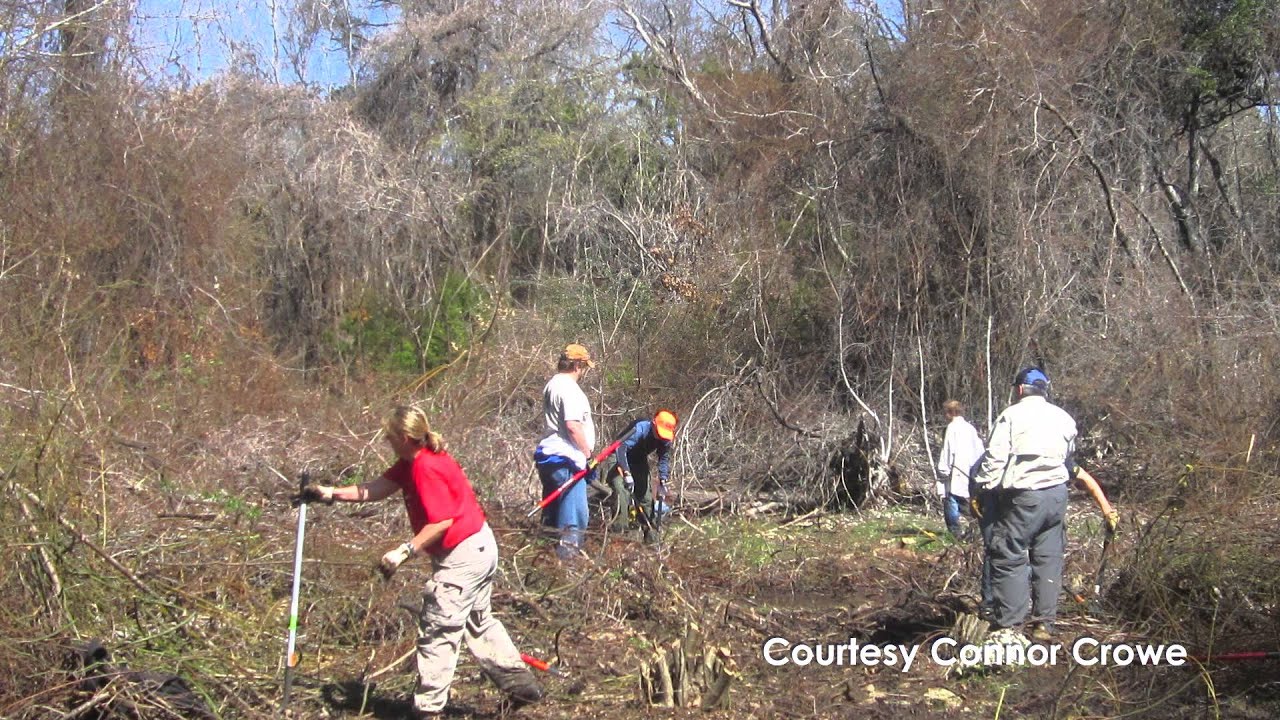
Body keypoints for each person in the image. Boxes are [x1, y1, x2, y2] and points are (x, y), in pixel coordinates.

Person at [300, 406, 542, 717]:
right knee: (478, 622)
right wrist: (329, 493)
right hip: (479, 547)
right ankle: (520, 686)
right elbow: (376, 488)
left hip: (465, 554)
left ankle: (427, 709)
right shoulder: (410, 461)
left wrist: (404, 551)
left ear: (403, 437)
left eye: (389, 436)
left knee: (439, 627)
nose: (386, 441)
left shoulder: (425, 467)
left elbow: (441, 521)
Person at [970, 367, 1077, 643]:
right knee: (1048, 558)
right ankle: (1044, 625)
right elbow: (1069, 459)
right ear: (1044, 389)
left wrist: (982, 489)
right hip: (1057, 495)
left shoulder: (1011, 416)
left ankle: (1010, 627)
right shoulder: (1064, 418)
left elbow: (995, 459)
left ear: (1019, 390)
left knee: (1008, 554)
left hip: (1024, 496)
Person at [533, 343, 596, 560]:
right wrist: (588, 455)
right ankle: (566, 565)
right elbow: (572, 426)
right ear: (577, 365)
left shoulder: (552, 384)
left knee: (552, 514)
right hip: (567, 460)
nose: (584, 371)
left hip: (549, 457)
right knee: (573, 519)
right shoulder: (569, 389)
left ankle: (542, 560)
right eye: (584, 366)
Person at [605, 409, 677, 543]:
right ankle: (618, 539)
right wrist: (626, 473)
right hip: (618, 456)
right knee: (622, 492)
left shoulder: (665, 438)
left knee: (646, 498)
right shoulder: (640, 429)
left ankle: (652, 541)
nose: (662, 438)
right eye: (659, 433)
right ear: (654, 424)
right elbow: (621, 449)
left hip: (638, 460)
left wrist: (663, 478)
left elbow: (664, 458)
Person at [935, 400, 984, 539]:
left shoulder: (952, 428)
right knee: (966, 500)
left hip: (955, 471)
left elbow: (948, 451)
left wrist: (943, 469)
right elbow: (979, 451)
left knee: (951, 501)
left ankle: (955, 533)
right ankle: (974, 529)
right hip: (970, 471)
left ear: (950, 413)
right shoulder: (970, 428)